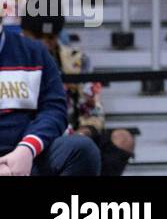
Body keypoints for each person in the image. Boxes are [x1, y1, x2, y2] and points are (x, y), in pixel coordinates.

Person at [0, 24, 101, 175]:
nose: (46, 41)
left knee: (81, 149)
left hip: (25, 157)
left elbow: (54, 109)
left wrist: (27, 148)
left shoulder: (35, 52)